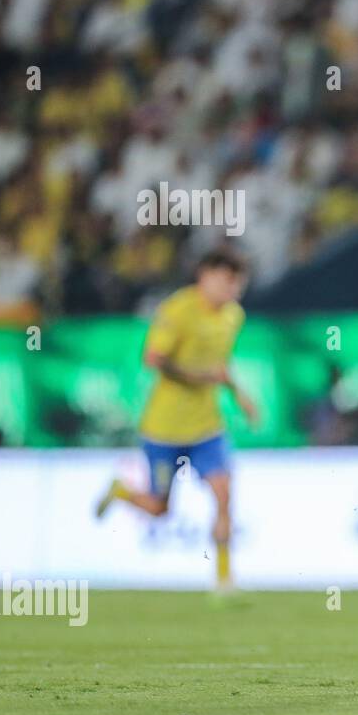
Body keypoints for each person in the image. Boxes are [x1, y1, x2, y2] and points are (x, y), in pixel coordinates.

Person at [95, 247, 258, 597]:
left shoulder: (233, 317)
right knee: (159, 509)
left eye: (238, 284)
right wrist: (197, 377)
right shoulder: (177, 310)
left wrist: (239, 394)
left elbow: (219, 366)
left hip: (206, 426)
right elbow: (153, 358)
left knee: (224, 492)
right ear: (205, 276)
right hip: (164, 429)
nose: (233, 291)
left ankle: (225, 581)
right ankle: (120, 490)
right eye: (228, 282)